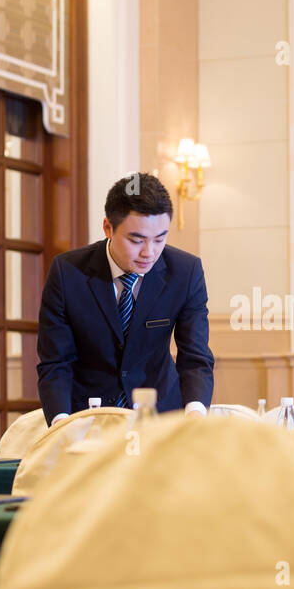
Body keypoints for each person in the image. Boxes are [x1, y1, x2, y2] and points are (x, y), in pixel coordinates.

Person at [36, 172, 214, 424]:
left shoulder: (185, 272)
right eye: (136, 240)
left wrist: (195, 413)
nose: (149, 252)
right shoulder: (68, 273)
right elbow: (56, 362)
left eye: (159, 239)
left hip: (161, 417)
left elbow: (195, 358)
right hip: (87, 419)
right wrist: (62, 425)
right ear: (108, 227)